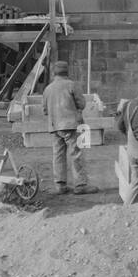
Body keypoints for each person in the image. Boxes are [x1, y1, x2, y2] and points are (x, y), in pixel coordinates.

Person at [43, 60, 98, 195]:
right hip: (71, 126)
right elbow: (81, 104)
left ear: (54, 73)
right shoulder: (72, 85)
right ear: (67, 72)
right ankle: (80, 185)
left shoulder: (48, 89)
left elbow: (45, 110)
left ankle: (60, 186)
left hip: (54, 127)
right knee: (76, 154)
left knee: (58, 155)